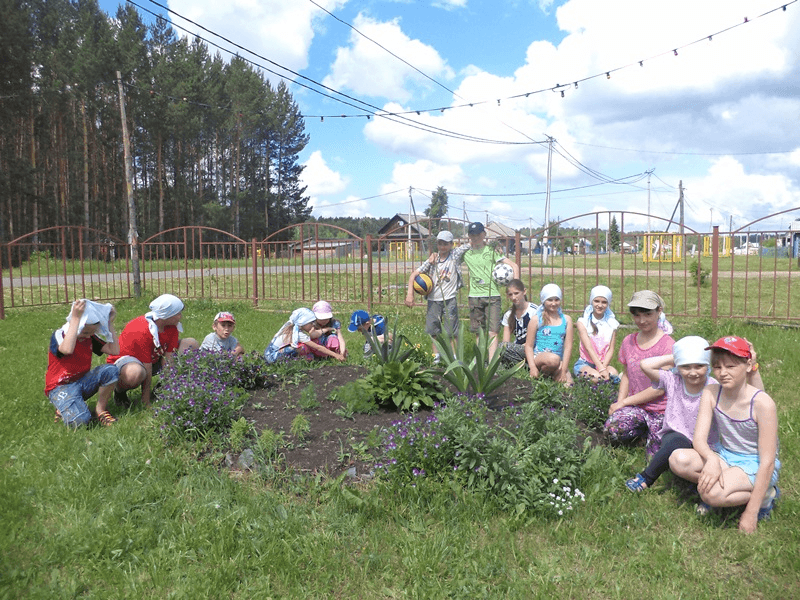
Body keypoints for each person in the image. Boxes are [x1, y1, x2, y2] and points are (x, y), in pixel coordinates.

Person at [669, 337, 779, 533]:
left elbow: (767, 461)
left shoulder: (763, 404)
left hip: (753, 463)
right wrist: (711, 460)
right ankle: (724, 486)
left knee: (710, 495)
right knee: (678, 459)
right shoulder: (711, 392)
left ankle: (765, 496)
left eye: (730, 366)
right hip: (725, 455)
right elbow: (699, 439)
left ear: (747, 365)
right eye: (717, 367)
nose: (723, 373)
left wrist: (750, 513)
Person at [625, 336, 718, 492]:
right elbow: (645, 365)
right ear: (677, 366)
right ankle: (646, 478)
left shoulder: (713, 386)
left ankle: (702, 487)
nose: (693, 372)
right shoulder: (673, 380)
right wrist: (677, 356)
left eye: (699, 366)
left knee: (695, 462)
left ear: (707, 365)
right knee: (675, 442)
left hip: (705, 442)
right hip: (677, 434)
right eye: (686, 366)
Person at [603, 290, 675, 458]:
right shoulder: (629, 341)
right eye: (636, 315)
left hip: (661, 410)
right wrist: (620, 403)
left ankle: (650, 434)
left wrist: (625, 402)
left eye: (648, 314)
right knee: (612, 430)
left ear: (659, 311)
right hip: (636, 406)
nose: (642, 321)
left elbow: (660, 388)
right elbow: (627, 375)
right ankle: (641, 432)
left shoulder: (668, 346)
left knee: (657, 456)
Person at [107, 294, 199, 408]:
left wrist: (168, 380)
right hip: (126, 365)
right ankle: (119, 391)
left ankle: (160, 390)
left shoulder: (171, 326)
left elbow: (168, 357)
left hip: (152, 358)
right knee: (135, 373)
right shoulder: (142, 330)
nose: (181, 317)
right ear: (166, 316)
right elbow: (147, 366)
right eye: (178, 314)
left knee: (191, 344)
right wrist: (146, 402)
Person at [45, 299, 120, 427]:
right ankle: (65, 407)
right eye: (85, 332)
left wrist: (108, 323)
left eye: (92, 332)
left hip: (81, 382)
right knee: (81, 421)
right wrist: (75, 318)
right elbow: (67, 350)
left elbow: (114, 350)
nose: (88, 336)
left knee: (111, 370)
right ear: (77, 325)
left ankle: (100, 410)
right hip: (60, 387)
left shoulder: (89, 337)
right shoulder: (60, 335)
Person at [461, 222, 519, 359]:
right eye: (472, 235)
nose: (475, 237)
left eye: (478, 234)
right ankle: (480, 361)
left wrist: (516, 286)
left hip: (492, 296)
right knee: (478, 332)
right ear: (469, 236)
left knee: (493, 331)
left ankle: (493, 362)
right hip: (474, 297)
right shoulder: (466, 253)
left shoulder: (492, 251)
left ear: (484, 235)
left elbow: (514, 266)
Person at [404, 230, 464, 363]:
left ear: (451, 244)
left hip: (450, 299)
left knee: (452, 331)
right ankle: (435, 356)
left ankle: (454, 357)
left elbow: (467, 246)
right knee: (433, 330)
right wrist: (410, 294)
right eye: (440, 243)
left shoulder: (455, 256)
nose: (442, 247)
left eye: (445, 244)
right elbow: (414, 275)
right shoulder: (433, 259)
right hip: (433, 300)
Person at [525, 283, 573, 384]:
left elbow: (568, 347)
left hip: (558, 360)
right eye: (550, 300)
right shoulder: (536, 319)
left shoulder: (566, 320)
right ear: (543, 301)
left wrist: (563, 370)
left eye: (556, 299)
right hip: (539, 357)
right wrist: (532, 367)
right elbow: (529, 346)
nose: (554, 303)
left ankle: (549, 375)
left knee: (568, 385)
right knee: (553, 359)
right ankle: (541, 372)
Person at [264, 307, 346, 364]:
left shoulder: (289, 327)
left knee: (307, 352)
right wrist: (336, 355)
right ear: (303, 323)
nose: (312, 326)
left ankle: (292, 360)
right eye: (311, 323)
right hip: (272, 357)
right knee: (301, 348)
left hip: (268, 353)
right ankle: (286, 362)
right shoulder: (299, 334)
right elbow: (318, 347)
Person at [574, 285, 620, 382]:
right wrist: (602, 370)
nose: (600, 305)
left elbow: (611, 349)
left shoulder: (612, 324)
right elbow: (588, 347)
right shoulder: (583, 322)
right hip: (585, 363)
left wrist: (603, 367)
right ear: (591, 301)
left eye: (604, 302)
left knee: (614, 374)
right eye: (596, 301)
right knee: (596, 377)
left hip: (603, 363)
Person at [498, 279, 538, 366]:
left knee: (502, 349)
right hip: (517, 350)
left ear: (524, 291)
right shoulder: (508, 315)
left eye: (516, 293)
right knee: (500, 349)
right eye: (510, 294)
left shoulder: (534, 311)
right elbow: (505, 342)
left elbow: (539, 336)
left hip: (533, 348)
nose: (513, 297)